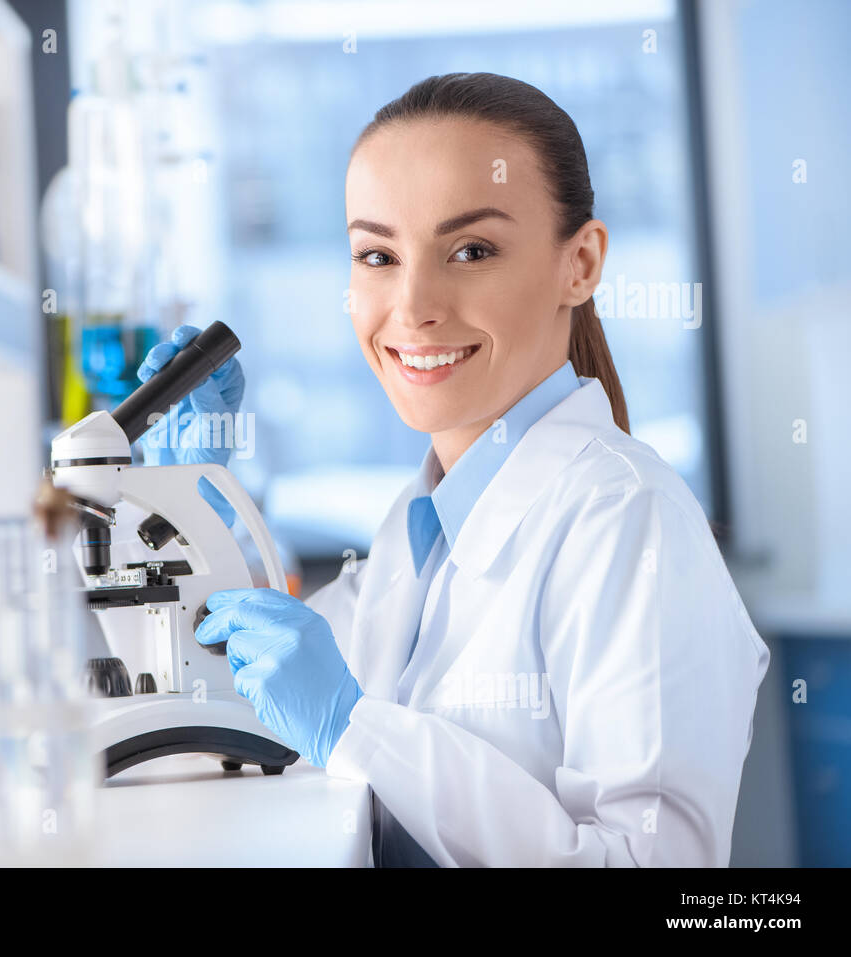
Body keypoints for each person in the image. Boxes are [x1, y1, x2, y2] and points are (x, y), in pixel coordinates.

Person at [140, 73, 770, 867]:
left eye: (471, 250)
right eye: (377, 254)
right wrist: (189, 517)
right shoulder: (418, 534)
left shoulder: (629, 521)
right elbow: (232, 710)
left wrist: (357, 729)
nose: (412, 305)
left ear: (580, 263)